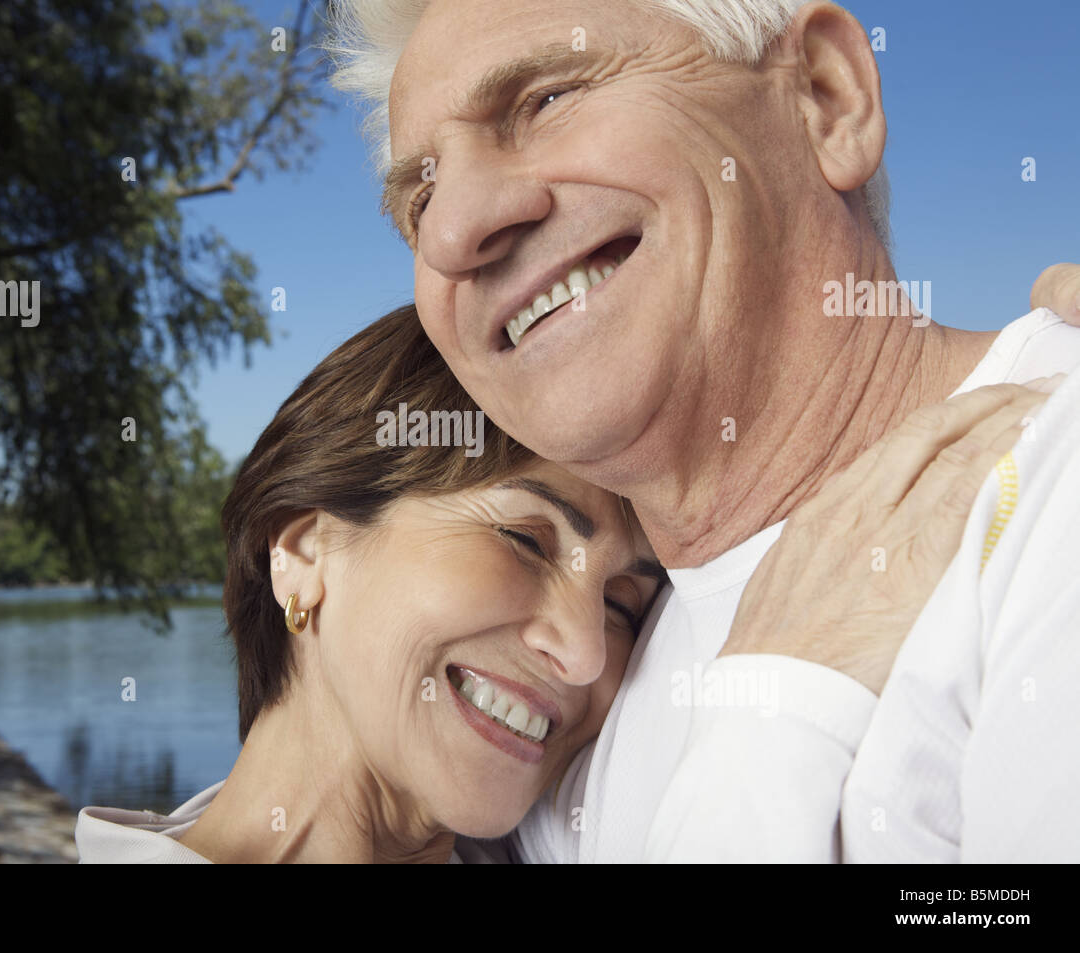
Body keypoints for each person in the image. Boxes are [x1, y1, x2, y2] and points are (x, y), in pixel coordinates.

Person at [327, 0, 1080, 860]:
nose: (455, 231)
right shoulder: (573, 704)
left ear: (826, 99)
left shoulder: (1058, 482)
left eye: (546, 100)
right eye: (419, 200)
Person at [75, 304, 1059, 863]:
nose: (587, 650)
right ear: (305, 551)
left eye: (627, 605)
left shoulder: (559, 816)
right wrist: (772, 713)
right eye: (524, 538)